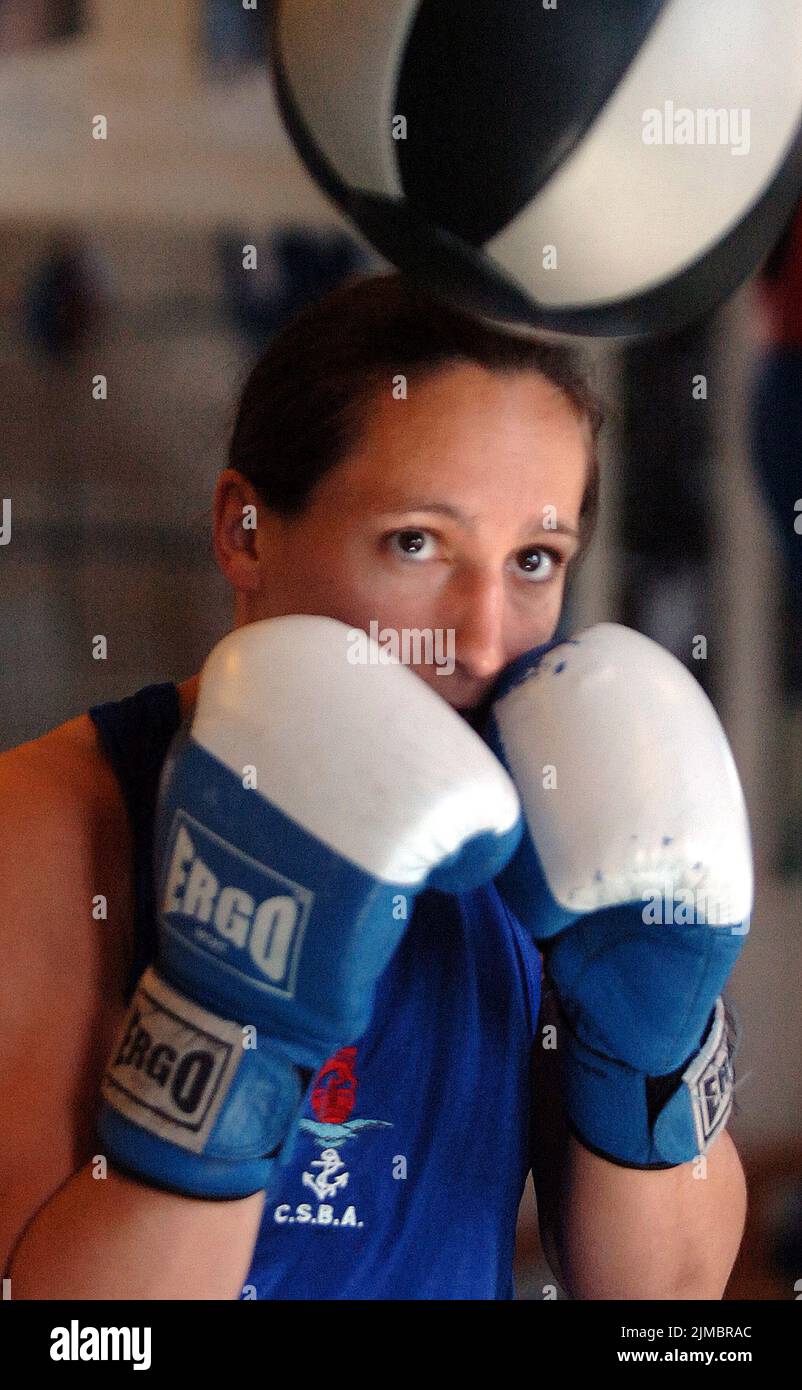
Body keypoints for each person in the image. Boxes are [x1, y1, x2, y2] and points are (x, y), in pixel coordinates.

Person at [1, 272, 747, 1300]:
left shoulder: (560, 838)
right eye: (417, 543)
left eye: (534, 558)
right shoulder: (55, 824)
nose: (481, 635)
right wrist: (223, 1026)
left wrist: (655, 1048)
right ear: (244, 531)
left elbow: (664, 1307)